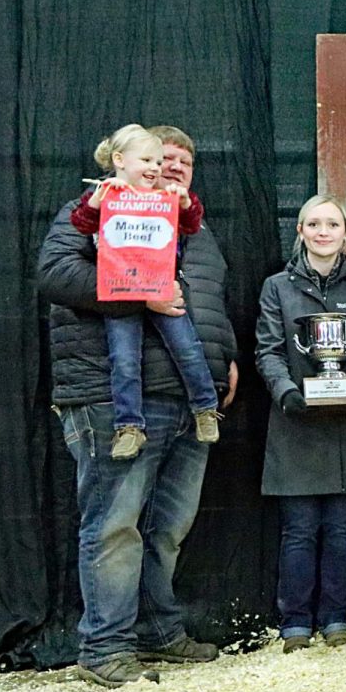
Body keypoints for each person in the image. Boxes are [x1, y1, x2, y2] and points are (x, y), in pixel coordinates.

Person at [38, 123, 234, 687]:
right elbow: (54, 274)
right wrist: (141, 290)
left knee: (167, 527)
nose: (170, 169)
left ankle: (156, 632)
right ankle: (105, 647)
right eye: (160, 159)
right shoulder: (92, 209)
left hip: (187, 399)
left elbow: (208, 302)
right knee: (115, 526)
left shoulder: (196, 229)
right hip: (112, 394)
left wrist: (225, 358)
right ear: (127, 162)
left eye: (182, 163)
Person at [257, 195, 346, 653]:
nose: (323, 232)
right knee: (298, 530)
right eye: (313, 223)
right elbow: (268, 350)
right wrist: (286, 392)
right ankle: (295, 622)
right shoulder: (277, 287)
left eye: (332, 224)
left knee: (340, 529)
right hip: (296, 424)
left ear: (345, 233)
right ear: (300, 231)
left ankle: (336, 618)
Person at [70, 124, 221, 460]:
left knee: (188, 349)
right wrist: (96, 201)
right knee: (123, 359)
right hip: (120, 292)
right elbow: (80, 223)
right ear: (120, 160)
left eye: (158, 162)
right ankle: (129, 427)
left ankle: (205, 408)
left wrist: (186, 202)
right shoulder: (104, 193)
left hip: (161, 286)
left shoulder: (164, 198)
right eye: (149, 160)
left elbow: (192, 224)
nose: (156, 168)